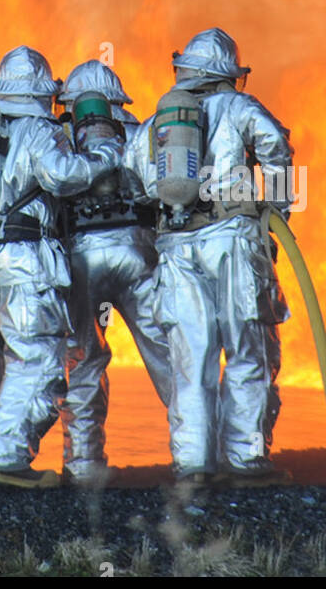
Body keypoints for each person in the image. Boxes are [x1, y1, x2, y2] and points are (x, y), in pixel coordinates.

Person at [0, 46, 120, 489]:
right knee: (37, 362)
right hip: (25, 268)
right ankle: (6, 458)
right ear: (44, 94)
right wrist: (105, 155)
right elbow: (62, 176)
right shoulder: (39, 129)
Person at [126, 28, 293, 489]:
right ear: (228, 75)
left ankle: (193, 464)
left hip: (176, 248)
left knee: (191, 357)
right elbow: (277, 148)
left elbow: (136, 178)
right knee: (247, 348)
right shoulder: (240, 108)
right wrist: (277, 213)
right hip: (234, 240)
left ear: (186, 71)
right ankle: (245, 460)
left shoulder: (157, 122)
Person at [56, 60, 170, 487]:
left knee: (84, 360)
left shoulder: (60, 138)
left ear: (69, 102)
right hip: (138, 255)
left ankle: (84, 465)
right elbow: (158, 191)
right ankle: (198, 454)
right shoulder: (140, 132)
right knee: (166, 350)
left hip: (81, 263)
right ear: (119, 100)